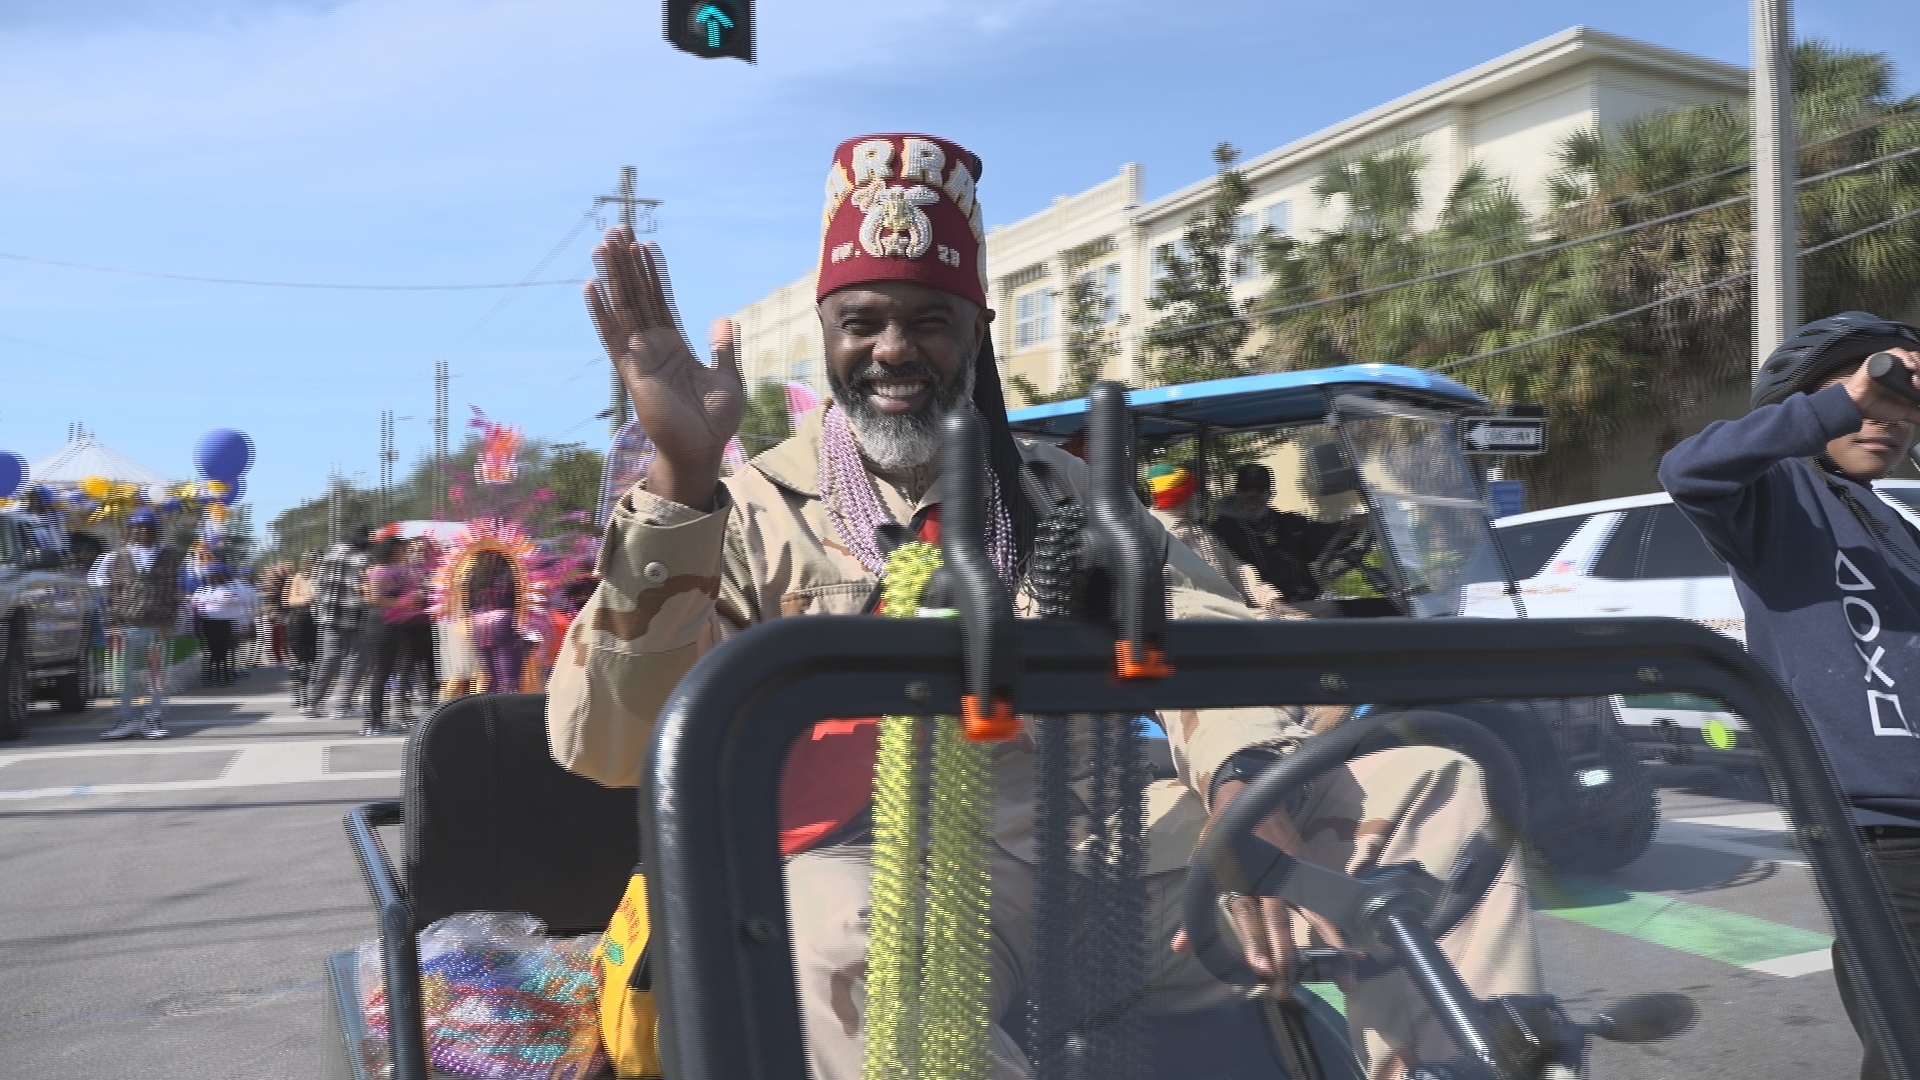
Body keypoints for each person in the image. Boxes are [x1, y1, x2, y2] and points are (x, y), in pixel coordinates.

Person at [547, 133, 1536, 1080]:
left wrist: (1243, 780)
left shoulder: (1065, 491)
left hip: (1128, 861)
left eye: (929, 321)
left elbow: (1203, 627)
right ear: (827, 336)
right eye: (865, 322)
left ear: (974, 334)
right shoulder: (744, 509)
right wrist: (681, 478)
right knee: (829, 943)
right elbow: (610, 744)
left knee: (1433, 786)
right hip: (909, 887)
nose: (895, 351)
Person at [1659, 311, 1920, 1080]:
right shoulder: (1775, 498)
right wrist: (1851, 396)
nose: (1888, 422)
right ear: (1807, 404)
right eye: (1868, 404)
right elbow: (1688, 469)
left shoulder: (1897, 527)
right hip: (1876, 826)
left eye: (1904, 414)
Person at [1146, 463, 1303, 618]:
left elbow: (1237, 571)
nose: (1198, 498)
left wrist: (1272, 601)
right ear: (1184, 498)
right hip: (1196, 622)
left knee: (1306, 619)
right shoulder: (1151, 535)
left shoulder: (1201, 531)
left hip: (1234, 614)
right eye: (1193, 493)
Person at [91, 508, 184, 740]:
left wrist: (169, 622)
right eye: (138, 527)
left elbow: (176, 592)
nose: (143, 532)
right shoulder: (115, 557)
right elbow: (107, 592)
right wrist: (111, 623)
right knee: (120, 678)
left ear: (156, 531)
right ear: (130, 531)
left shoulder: (170, 556)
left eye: (148, 528)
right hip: (123, 626)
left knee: (156, 678)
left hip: (157, 627)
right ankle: (124, 720)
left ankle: (153, 720)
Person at [1211, 463, 1347, 604]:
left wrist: (1350, 526)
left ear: (1270, 493)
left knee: (1357, 609)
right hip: (1264, 608)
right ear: (1237, 492)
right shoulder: (1220, 532)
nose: (1252, 494)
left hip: (1307, 599)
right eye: (1245, 489)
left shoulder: (1288, 522)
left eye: (1259, 489)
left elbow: (1317, 539)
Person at [361, 538, 431, 736]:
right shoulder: (381, 570)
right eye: (403, 549)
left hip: (393, 623)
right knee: (381, 672)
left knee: (386, 672)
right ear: (393, 550)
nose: (406, 552)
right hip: (381, 623)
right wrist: (406, 601)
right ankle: (374, 722)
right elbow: (376, 598)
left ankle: (378, 721)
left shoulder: (397, 569)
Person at [306, 524, 373, 719]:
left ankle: (312, 703)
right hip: (356, 616)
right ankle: (343, 705)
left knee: (328, 658)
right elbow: (365, 588)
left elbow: (315, 588)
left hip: (328, 616)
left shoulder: (326, 556)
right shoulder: (363, 558)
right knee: (357, 659)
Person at [190, 564, 255, 686]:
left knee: (225, 651)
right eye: (212, 575)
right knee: (212, 651)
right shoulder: (202, 590)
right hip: (208, 623)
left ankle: (225, 675)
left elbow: (244, 605)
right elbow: (194, 606)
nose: (215, 578)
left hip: (226, 623)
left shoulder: (234, 589)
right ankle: (210, 676)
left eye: (217, 575)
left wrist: (245, 622)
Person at [284, 553, 320, 708]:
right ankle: (298, 695)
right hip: (300, 620)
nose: (309, 564)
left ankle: (312, 697)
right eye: (307, 562)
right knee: (298, 661)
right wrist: (307, 599)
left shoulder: (325, 576)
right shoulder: (298, 577)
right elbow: (288, 600)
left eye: (312, 562)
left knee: (314, 662)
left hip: (318, 621)